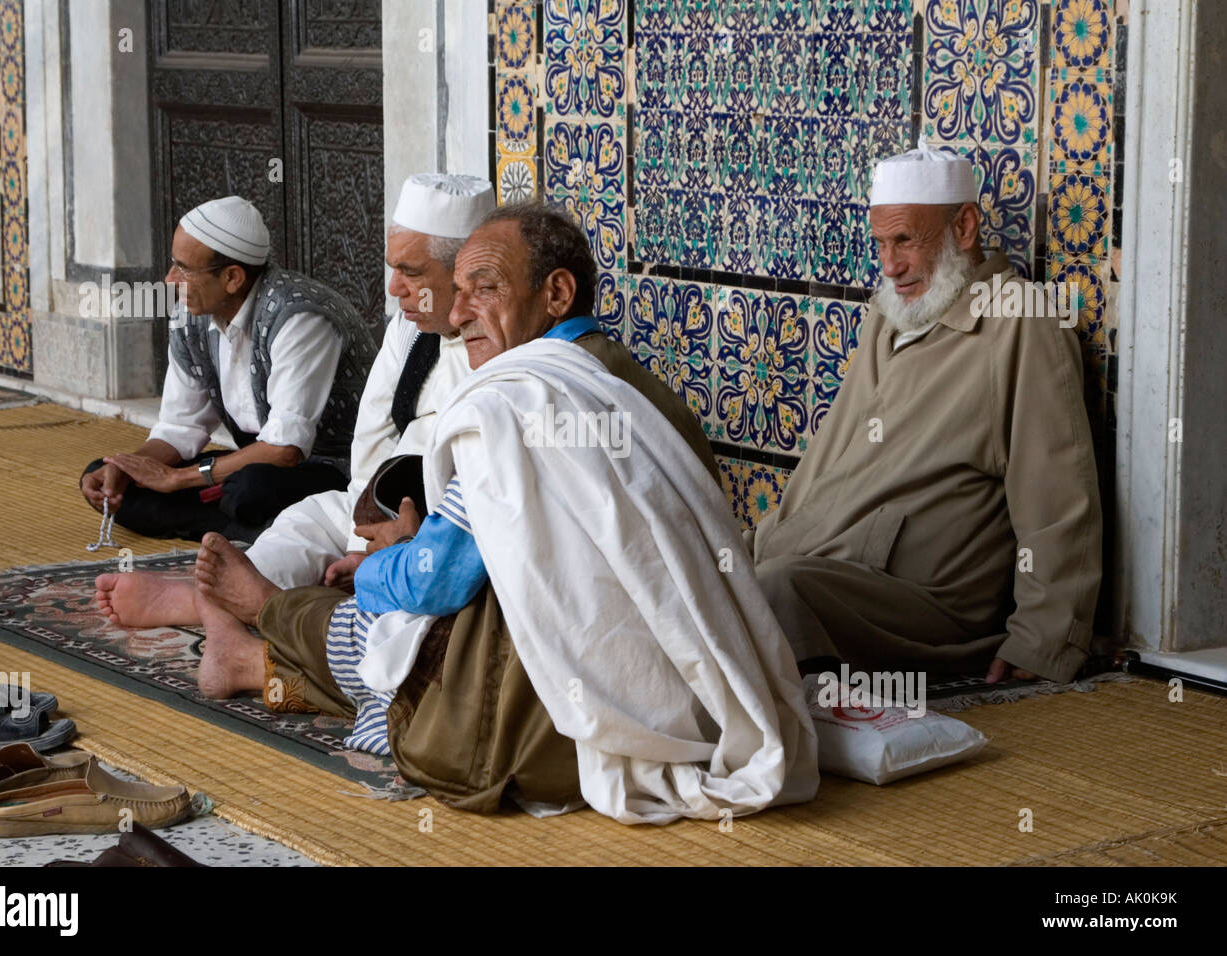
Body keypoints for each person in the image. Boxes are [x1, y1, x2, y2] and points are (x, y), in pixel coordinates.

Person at [180, 203, 819, 824]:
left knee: (389, 625)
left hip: (542, 731)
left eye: (483, 288)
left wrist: (386, 562)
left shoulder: (523, 400)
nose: (456, 316)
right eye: (456, 291)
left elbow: (438, 579)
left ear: (557, 293)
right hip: (672, 704)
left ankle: (263, 610)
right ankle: (251, 659)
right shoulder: (624, 380)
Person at [751, 140, 1103, 685]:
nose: (890, 266)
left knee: (775, 590)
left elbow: (1058, 498)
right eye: (881, 244)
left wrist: (1044, 639)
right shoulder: (889, 316)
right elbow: (829, 461)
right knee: (698, 581)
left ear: (964, 228)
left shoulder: (1020, 324)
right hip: (824, 564)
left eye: (906, 241)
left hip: (925, 604)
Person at [92, 174, 493, 628]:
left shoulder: (505, 344)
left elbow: (287, 448)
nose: (393, 288)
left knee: (258, 489)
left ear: (467, 275)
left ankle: (238, 605)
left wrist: (387, 543)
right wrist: (359, 541)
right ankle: (222, 594)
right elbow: (374, 438)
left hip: (435, 519)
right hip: (376, 496)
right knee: (303, 522)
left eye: (411, 273)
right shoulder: (409, 328)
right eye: (393, 269)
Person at [79, 196, 373, 543]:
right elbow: (180, 426)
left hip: (332, 469)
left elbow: (285, 450)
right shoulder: (191, 317)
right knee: (105, 474)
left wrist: (178, 480)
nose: (170, 280)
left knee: (250, 489)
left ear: (232, 277)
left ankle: (255, 522)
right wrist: (128, 467)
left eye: (184, 268)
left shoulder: (300, 317)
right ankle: (253, 528)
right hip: (252, 462)